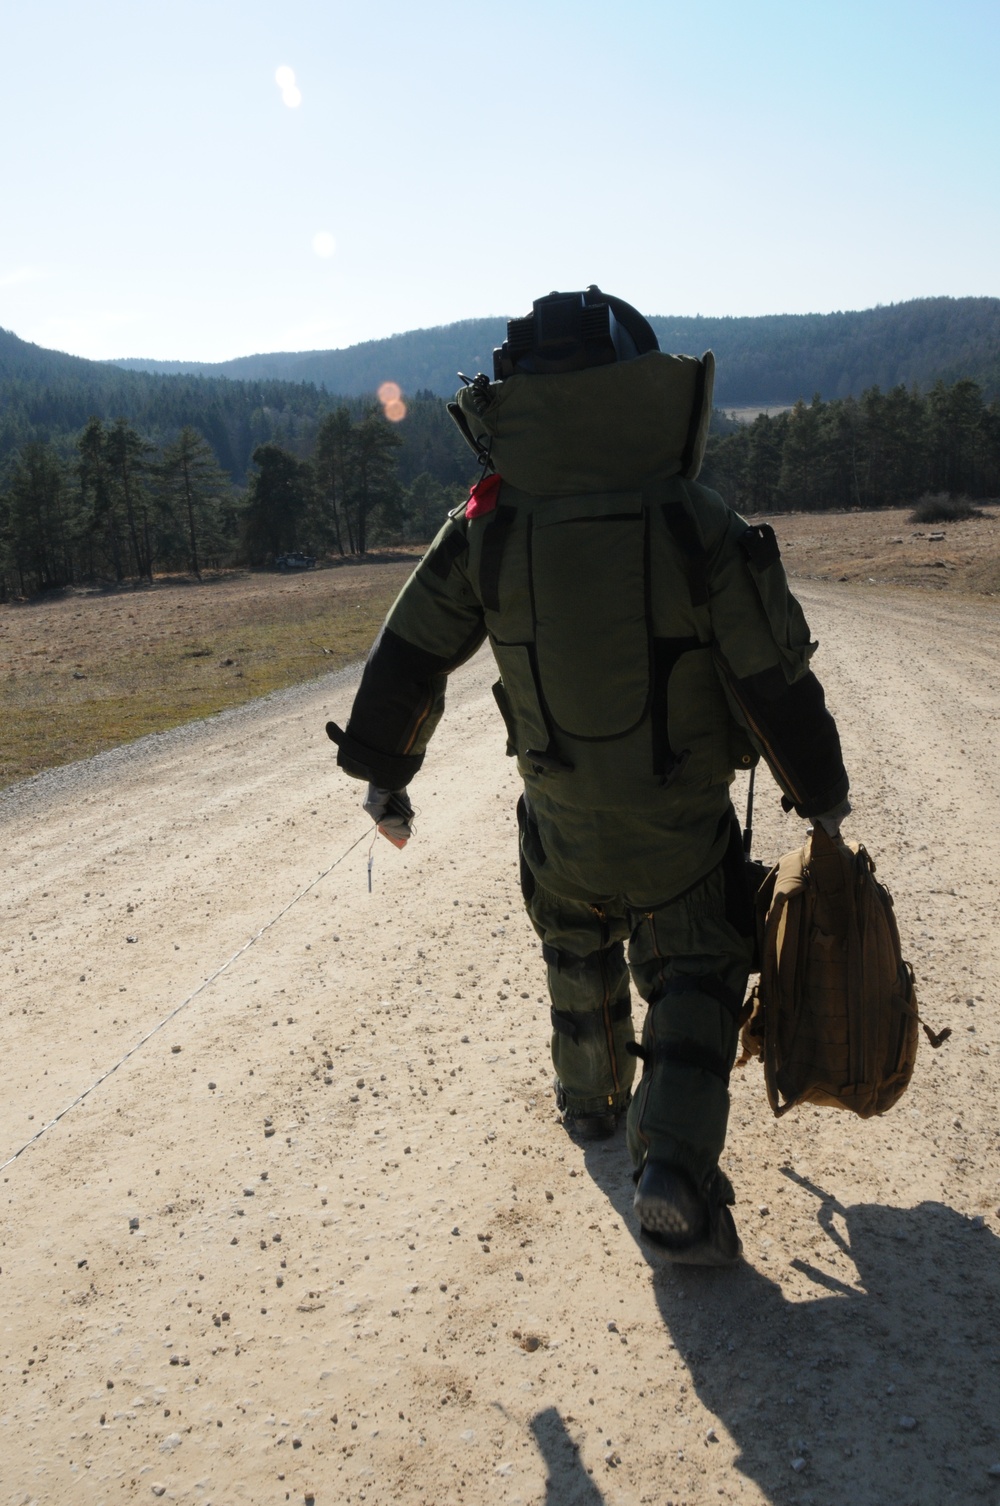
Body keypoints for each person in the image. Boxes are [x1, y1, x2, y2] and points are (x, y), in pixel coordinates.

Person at [327, 287, 849, 1265]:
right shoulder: (695, 520)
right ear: (633, 388)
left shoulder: (486, 522)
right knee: (695, 968)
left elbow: (408, 654)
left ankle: (591, 1106)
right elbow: (771, 680)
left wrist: (385, 780)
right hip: (678, 833)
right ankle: (672, 1168)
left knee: (574, 951)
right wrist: (820, 801)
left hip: (557, 822)